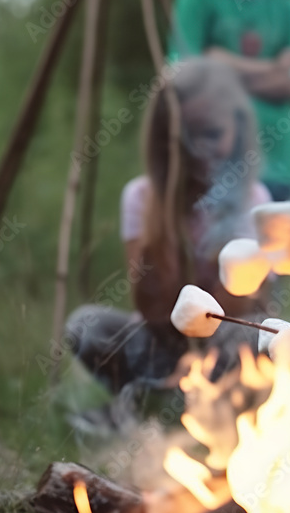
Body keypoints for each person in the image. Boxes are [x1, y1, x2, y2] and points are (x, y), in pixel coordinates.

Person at [65, 58, 271, 430]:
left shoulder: (253, 200)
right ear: (165, 139)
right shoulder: (142, 198)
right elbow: (149, 305)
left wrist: (194, 358)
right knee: (86, 325)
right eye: (186, 135)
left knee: (257, 333)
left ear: (237, 131)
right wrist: (162, 224)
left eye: (212, 133)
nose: (198, 149)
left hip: (223, 344)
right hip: (158, 342)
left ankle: (157, 408)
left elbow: (248, 303)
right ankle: (158, 401)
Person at [170, 0, 290, 202]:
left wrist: (219, 62)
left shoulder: (288, 6)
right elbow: (185, 77)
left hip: (282, 168)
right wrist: (274, 68)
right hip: (214, 166)